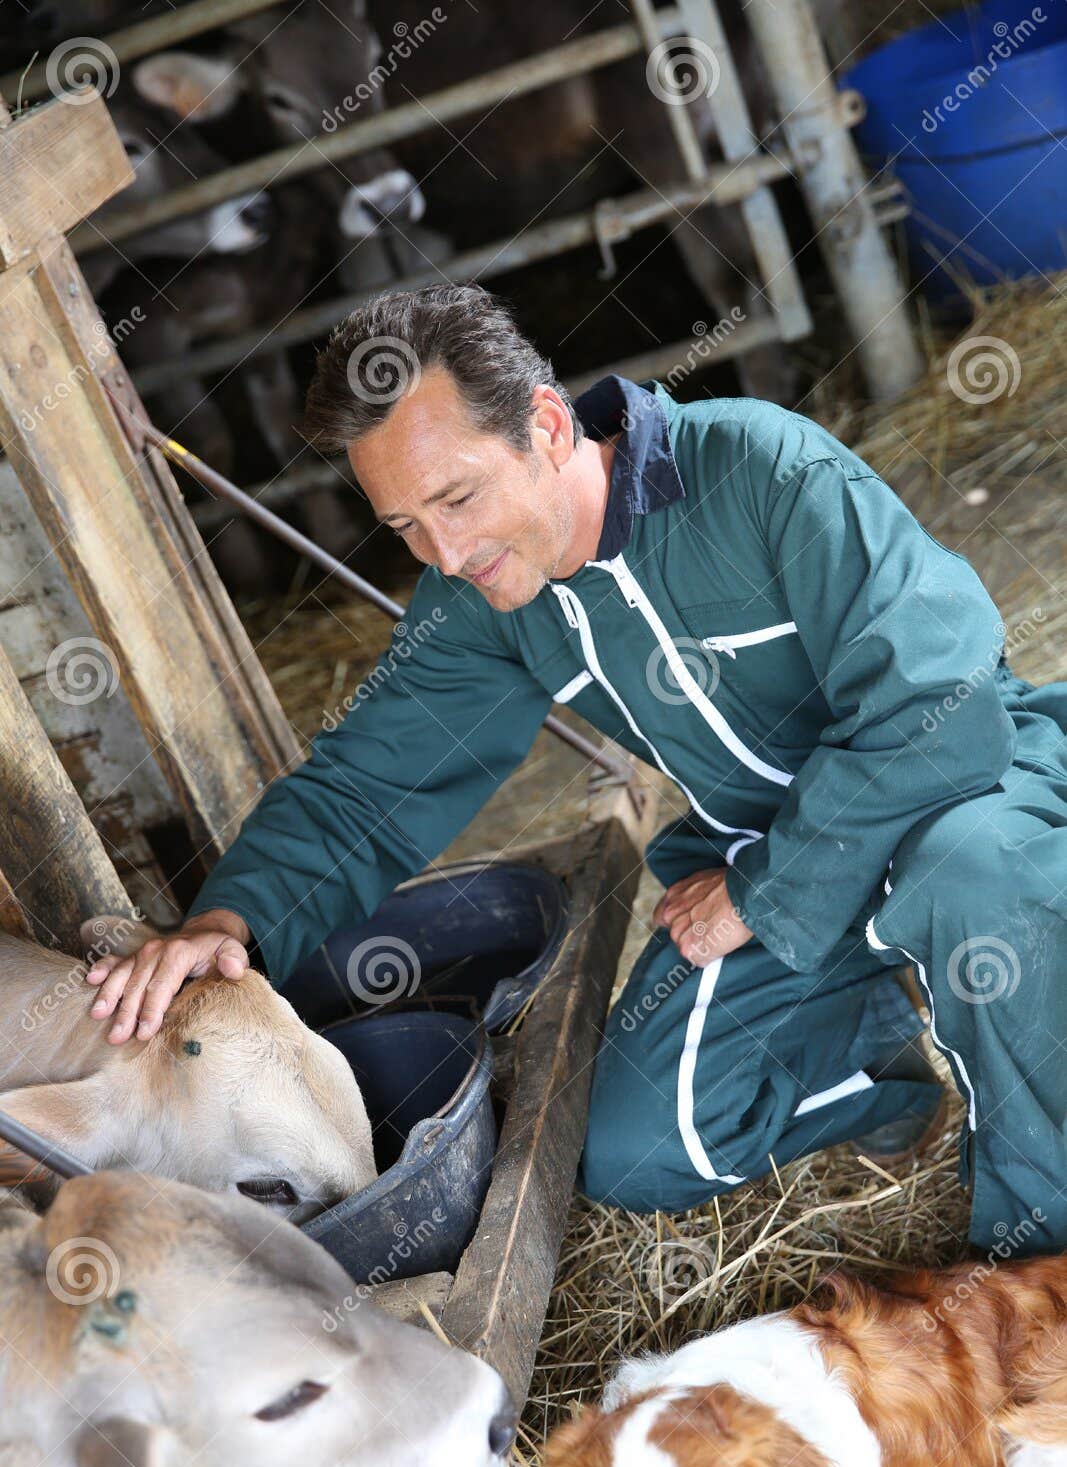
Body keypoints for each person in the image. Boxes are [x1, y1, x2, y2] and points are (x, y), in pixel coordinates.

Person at [86, 284, 1067, 1253]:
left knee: (971, 873)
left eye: (457, 496)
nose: (446, 549)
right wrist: (230, 921)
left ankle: (1039, 1264)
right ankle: (872, 1055)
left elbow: (936, 708)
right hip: (759, 864)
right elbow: (364, 790)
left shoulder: (757, 469)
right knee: (631, 1150)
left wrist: (761, 897)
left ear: (546, 426)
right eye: (404, 529)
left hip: (956, 798)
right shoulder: (484, 599)